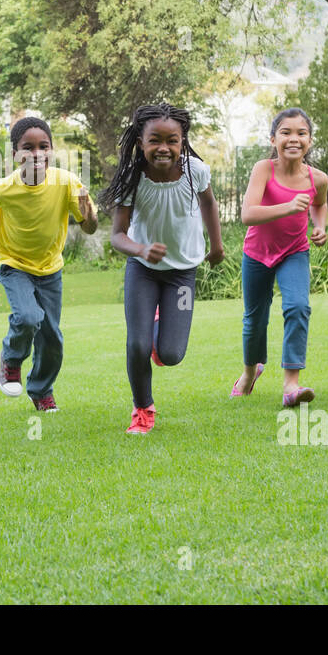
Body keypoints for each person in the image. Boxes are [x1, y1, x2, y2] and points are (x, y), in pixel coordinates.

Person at [99, 103, 223, 435]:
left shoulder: (196, 171)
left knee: (170, 353)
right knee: (137, 344)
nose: (163, 148)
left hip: (182, 274)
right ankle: (143, 409)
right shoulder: (132, 177)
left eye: (172, 140)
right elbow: (117, 236)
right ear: (141, 142)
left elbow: (209, 203)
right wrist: (141, 249)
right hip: (143, 270)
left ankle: (158, 327)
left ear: (183, 141)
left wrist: (217, 245)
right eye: (155, 140)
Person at [0, 117, 98, 410]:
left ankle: (41, 390)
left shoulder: (66, 183)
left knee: (51, 338)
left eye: (43, 146)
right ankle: (11, 359)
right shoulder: (7, 185)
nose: (36, 153)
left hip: (50, 269)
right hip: (14, 264)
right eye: (27, 148)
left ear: (51, 150)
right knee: (27, 317)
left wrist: (89, 214)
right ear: (14, 154)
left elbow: (89, 228)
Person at [232, 108, 328, 407]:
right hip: (258, 254)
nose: (294, 138)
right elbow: (247, 214)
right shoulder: (264, 169)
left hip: (295, 252)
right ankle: (250, 372)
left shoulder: (319, 178)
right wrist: (288, 206)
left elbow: (319, 204)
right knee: (254, 320)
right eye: (286, 132)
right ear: (273, 139)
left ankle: (291, 385)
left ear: (310, 141)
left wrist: (320, 226)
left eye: (301, 133)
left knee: (299, 307)